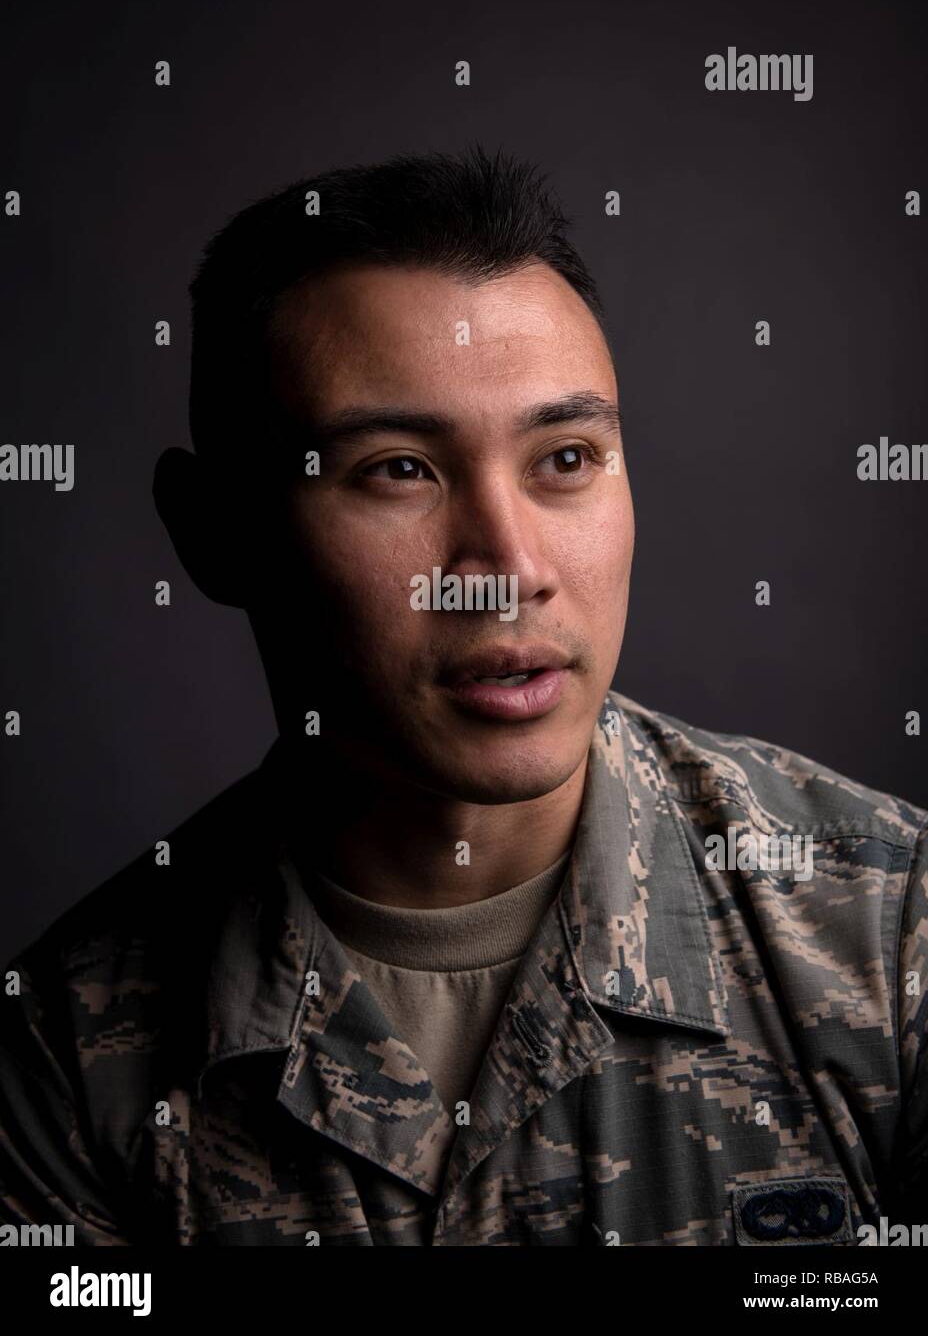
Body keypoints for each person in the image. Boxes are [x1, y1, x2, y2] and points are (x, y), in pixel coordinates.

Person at [1, 146, 925, 1246]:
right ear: (213, 533)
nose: (505, 564)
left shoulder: (887, 934)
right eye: (399, 468)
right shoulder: (67, 1054)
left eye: (566, 457)